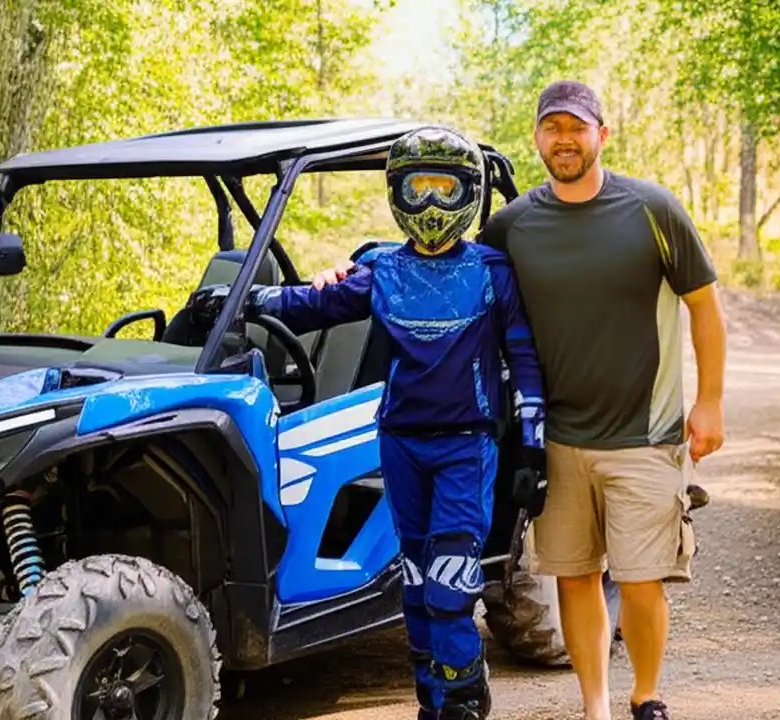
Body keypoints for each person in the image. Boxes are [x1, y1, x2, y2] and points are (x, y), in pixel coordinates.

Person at [312, 81, 727, 720]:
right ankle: (597, 708)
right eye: (553, 127)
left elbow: (704, 306)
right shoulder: (512, 226)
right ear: (538, 138)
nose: (565, 139)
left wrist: (710, 403)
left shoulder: (652, 209)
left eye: (577, 127)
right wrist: (345, 270)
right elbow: (436, 264)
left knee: (643, 581)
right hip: (559, 438)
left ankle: (647, 696)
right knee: (577, 577)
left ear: (601, 135)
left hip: (644, 432)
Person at [186, 126, 548, 720]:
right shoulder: (383, 270)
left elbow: (524, 360)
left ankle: (461, 697)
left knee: (450, 584)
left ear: (468, 194)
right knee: (413, 584)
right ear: (398, 193)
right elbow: (311, 305)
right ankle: (435, 700)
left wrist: (534, 449)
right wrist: (238, 302)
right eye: (419, 188)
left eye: (444, 188)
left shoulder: (492, 272)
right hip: (401, 444)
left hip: (467, 445)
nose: (431, 204)